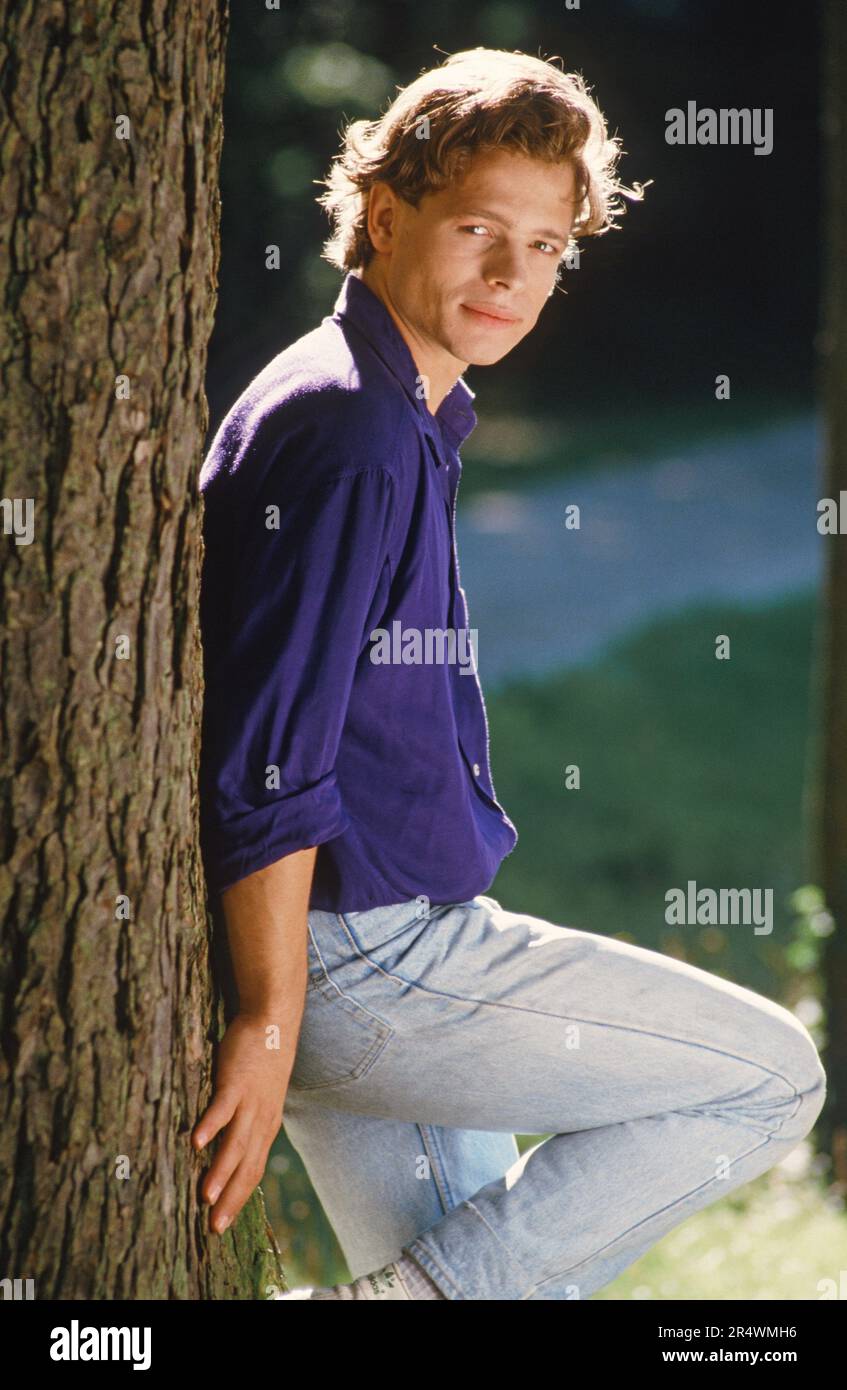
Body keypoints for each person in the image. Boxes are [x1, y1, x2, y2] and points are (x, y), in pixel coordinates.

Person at [192, 47, 826, 1300]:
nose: (509, 274)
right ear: (382, 216)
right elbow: (267, 758)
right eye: (479, 226)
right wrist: (270, 1021)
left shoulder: (380, 402)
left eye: (543, 246)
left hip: (367, 957)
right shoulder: (356, 431)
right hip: (375, 966)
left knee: (500, 1274)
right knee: (773, 1076)